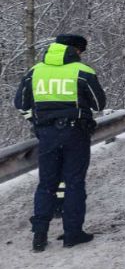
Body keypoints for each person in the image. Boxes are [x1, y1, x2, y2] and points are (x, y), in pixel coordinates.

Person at [13, 34, 107, 252]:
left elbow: (21, 103)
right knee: (74, 183)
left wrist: (36, 121)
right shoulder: (83, 72)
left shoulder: (35, 71)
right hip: (76, 133)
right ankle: (73, 234)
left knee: (46, 184)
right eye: (81, 51)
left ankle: (39, 236)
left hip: (47, 134)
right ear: (76, 50)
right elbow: (99, 104)